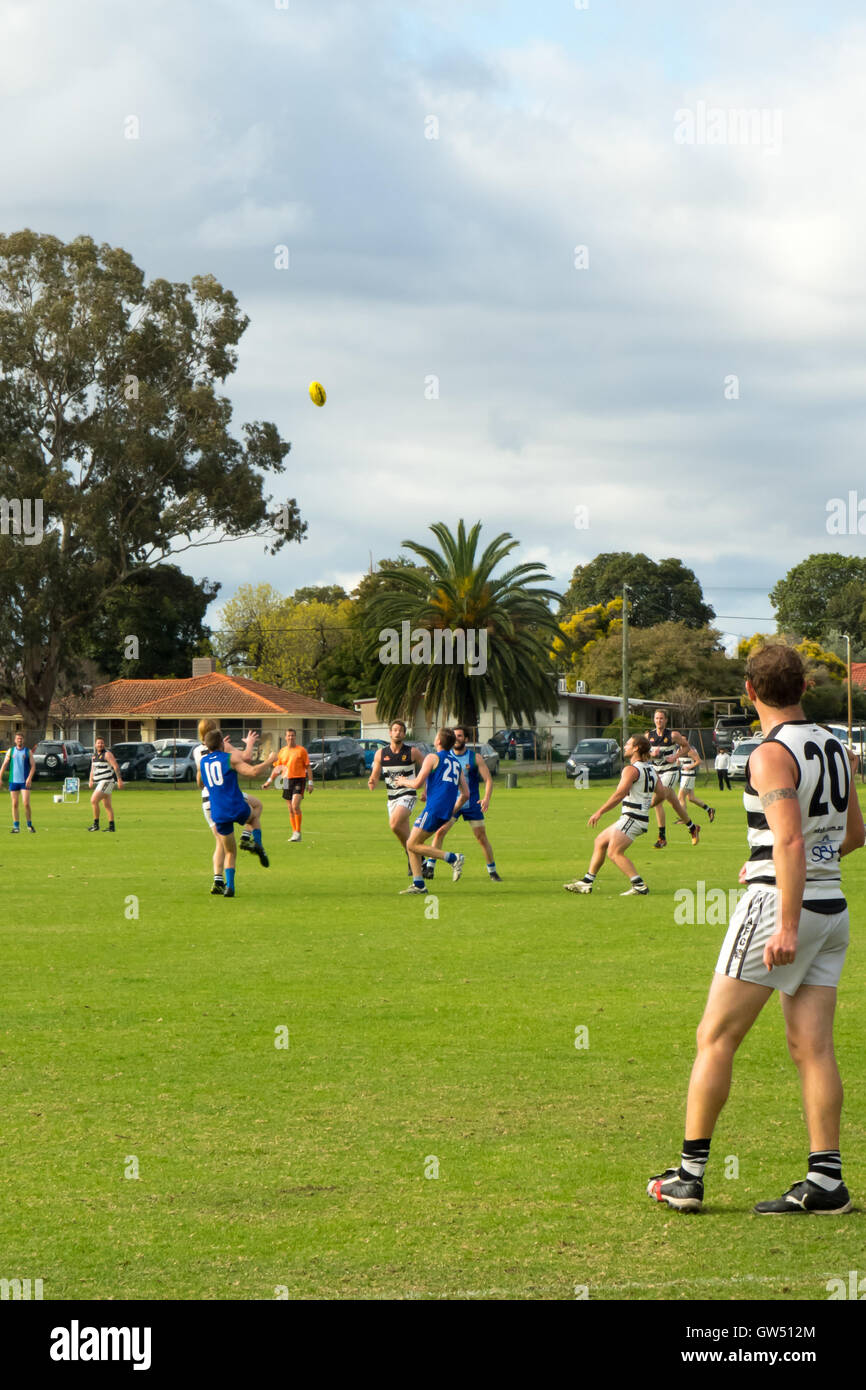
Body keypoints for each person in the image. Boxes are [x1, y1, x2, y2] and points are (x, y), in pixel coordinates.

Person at [647, 644, 865, 1215]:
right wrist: (780, 860)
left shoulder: (769, 753)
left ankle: (688, 1177)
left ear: (749, 691)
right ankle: (826, 1184)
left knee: (715, 1037)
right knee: (813, 1047)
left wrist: (784, 915)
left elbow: (790, 839)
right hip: (832, 907)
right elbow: (853, 833)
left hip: (782, 909)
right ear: (803, 688)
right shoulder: (835, 745)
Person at [564, 735, 664, 896]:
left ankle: (639, 885)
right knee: (600, 841)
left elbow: (619, 794)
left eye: (628, 744)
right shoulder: (651, 769)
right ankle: (587, 882)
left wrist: (600, 812)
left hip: (632, 818)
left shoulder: (631, 769)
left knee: (614, 853)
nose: (625, 746)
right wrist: (647, 805)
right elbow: (662, 794)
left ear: (636, 748)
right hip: (635, 818)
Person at [198, 729, 275, 897]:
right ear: (221, 744)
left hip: (218, 812)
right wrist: (270, 760)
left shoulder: (203, 762)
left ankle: (229, 887)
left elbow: (200, 782)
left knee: (230, 852)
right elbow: (253, 772)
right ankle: (258, 844)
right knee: (254, 814)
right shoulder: (229, 758)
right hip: (235, 805)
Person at [392, 727, 468, 895]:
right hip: (445, 810)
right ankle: (419, 884)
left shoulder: (432, 757)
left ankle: (453, 858)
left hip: (434, 808)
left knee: (411, 844)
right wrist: (450, 811)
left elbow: (417, 783)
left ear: (438, 741)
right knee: (412, 844)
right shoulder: (456, 762)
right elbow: (465, 794)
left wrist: (404, 781)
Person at [423, 725, 500, 881]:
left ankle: (492, 871)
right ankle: (430, 868)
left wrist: (486, 798)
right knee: (440, 832)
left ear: (466, 739)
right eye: (454, 735)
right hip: (452, 804)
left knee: (481, 837)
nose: (457, 738)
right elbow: (432, 777)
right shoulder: (444, 757)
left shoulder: (475, 758)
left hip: (471, 804)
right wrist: (427, 793)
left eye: (460, 736)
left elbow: (488, 780)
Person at [193, 720, 259, 894]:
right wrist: (249, 743)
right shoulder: (224, 746)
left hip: (206, 799)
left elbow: (199, 780)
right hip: (223, 794)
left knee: (220, 841)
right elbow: (246, 758)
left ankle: (218, 879)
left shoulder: (197, 751)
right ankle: (247, 836)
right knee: (257, 805)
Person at [367, 719, 425, 880]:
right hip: (391, 798)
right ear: (390, 733)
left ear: (404, 734)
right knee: (401, 832)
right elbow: (375, 773)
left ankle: (416, 853)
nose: (397, 732)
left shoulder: (412, 752)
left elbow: (427, 768)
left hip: (408, 794)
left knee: (394, 824)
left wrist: (425, 788)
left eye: (400, 730)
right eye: (395, 730)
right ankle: (414, 856)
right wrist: (372, 780)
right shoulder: (381, 753)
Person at [647, 710, 701, 847]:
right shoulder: (648, 736)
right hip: (656, 772)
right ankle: (692, 828)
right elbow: (644, 754)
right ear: (654, 719)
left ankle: (659, 833)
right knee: (674, 804)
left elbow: (686, 747)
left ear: (666, 720)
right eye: (656, 718)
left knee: (657, 799)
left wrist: (675, 757)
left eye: (661, 718)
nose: (659, 721)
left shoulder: (673, 735)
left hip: (669, 771)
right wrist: (652, 755)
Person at [262, 729, 313, 841]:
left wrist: (310, 782)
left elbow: (308, 767)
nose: (291, 738)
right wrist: (269, 781)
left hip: (299, 779)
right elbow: (277, 768)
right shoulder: (282, 751)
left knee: (295, 806)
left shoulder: (301, 750)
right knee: (290, 809)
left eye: (293, 735)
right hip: (286, 780)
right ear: (285, 737)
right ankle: (295, 833)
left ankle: (298, 832)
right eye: (289, 736)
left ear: (295, 737)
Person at [673, 731, 715, 822]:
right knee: (691, 798)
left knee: (680, 796)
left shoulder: (690, 750)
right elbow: (679, 762)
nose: (682, 741)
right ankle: (709, 810)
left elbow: (699, 761)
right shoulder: (679, 750)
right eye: (681, 739)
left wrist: (690, 766)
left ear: (687, 741)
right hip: (684, 775)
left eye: (684, 740)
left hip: (689, 775)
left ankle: (684, 818)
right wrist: (678, 763)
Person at [87, 738, 124, 832]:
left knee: (93, 800)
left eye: (102, 743)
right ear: (95, 745)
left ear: (104, 744)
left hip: (107, 781)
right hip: (100, 782)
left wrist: (119, 780)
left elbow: (115, 766)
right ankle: (112, 827)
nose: (100, 744)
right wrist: (90, 780)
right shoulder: (94, 756)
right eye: (98, 743)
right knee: (107, 805)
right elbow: (92, 769)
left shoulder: (107, 754)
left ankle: (96, 825)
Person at [1, 732, 35, 833]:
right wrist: (0, 777)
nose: (19, 740)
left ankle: (29, 825)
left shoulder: (27, 751)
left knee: (26, 803)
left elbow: (33, 766)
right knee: (15, 803)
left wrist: (29, 778)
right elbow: (4, 764)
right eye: (18, 739)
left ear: (23, 740)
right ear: (15, 740)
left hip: (24, 781)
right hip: (13, 781)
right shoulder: (11, 751)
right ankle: (16, 827)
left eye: (21, 739)